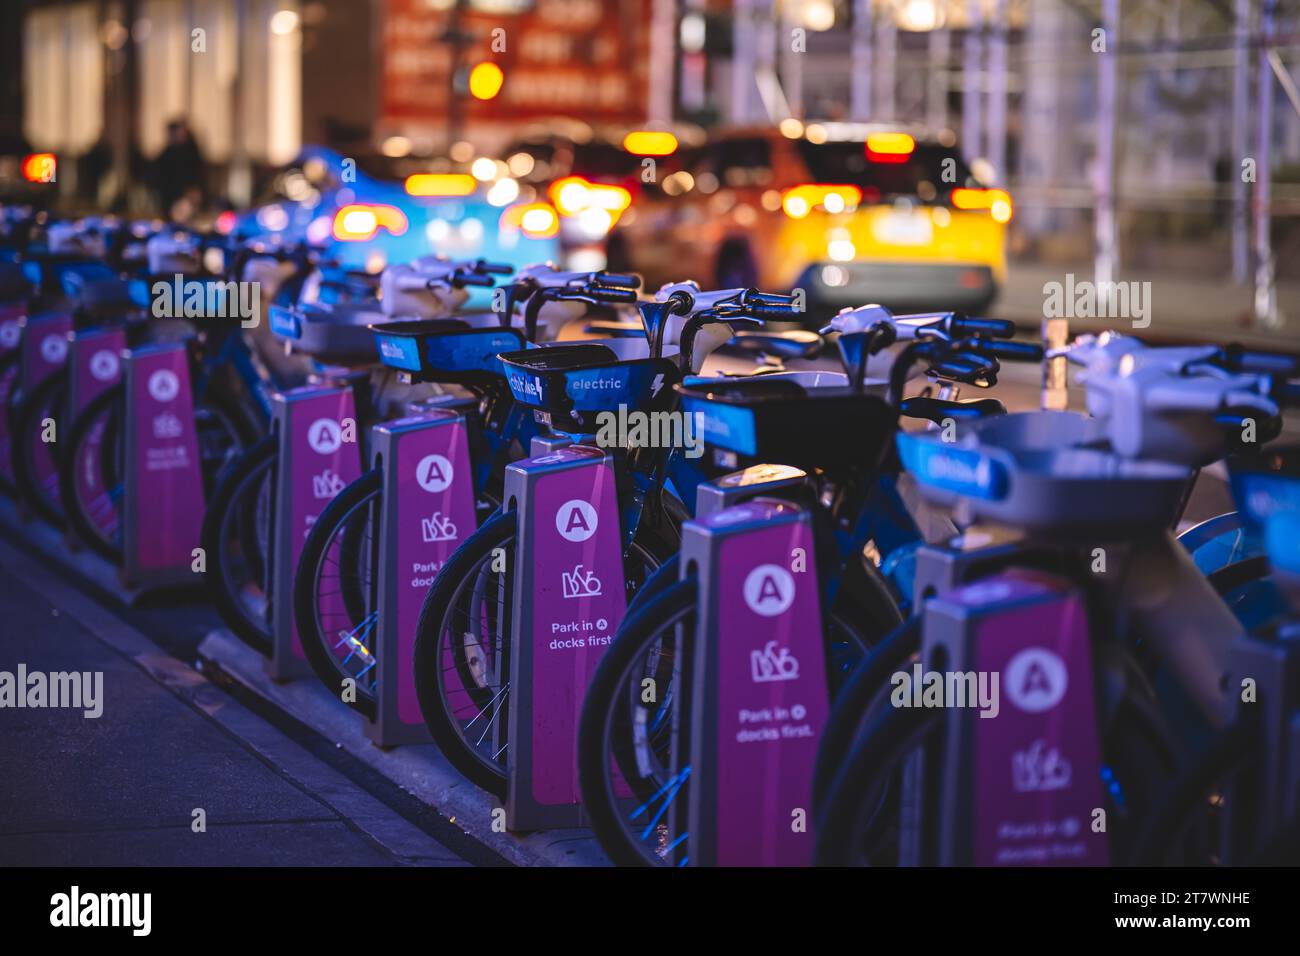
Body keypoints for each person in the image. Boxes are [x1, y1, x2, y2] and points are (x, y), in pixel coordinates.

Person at [155, 119, 205, 219]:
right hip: (170, 196)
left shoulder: (191, 152)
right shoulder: (167, 153)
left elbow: (196, 173)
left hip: (186, 195)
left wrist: (194, 191)